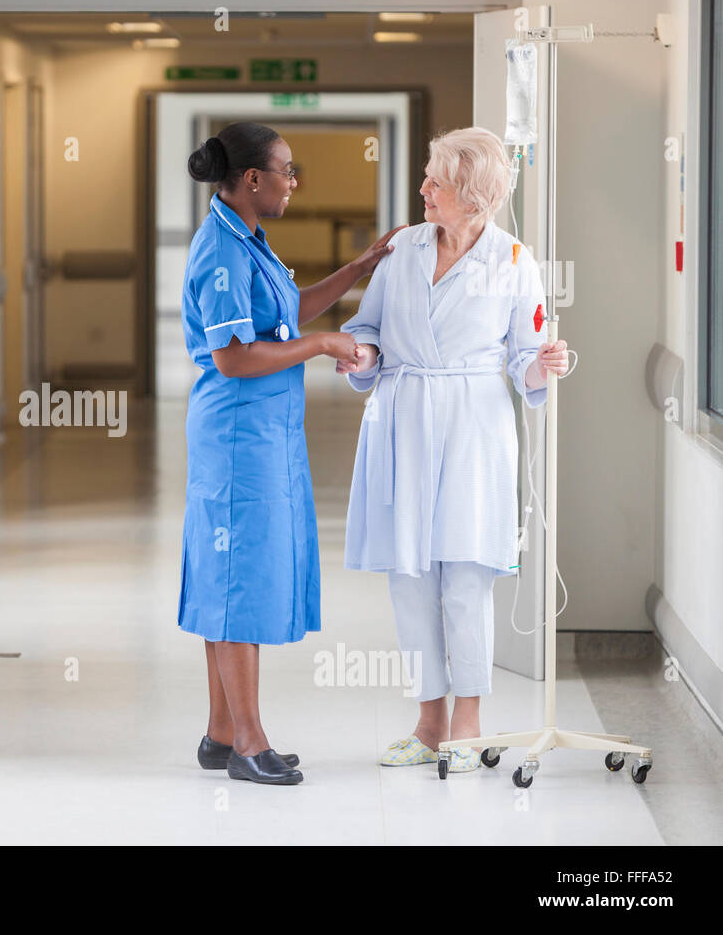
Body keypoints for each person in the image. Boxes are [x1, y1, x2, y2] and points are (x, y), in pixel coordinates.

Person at [335, 126, 571, 773]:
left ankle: (468, 722)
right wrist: (362, 355)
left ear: (471, 195)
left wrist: (546, 364)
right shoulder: (403, 249)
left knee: (466, 577)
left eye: (435, 181)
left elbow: (525, 358)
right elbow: (368, 327)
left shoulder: (515, 261)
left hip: (473, 423)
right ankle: (427, 723)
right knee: (410, 578)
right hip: (403, 416)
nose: (423, 190)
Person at [179, 122, 403, 785]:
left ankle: (222, 732)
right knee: (235, 582)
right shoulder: (220, 251)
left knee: (240, 575)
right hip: (236, 437)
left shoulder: (249, 240)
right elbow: (233, 355)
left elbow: (284, 315)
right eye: (286, 169)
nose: (293, 181)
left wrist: (361, 267)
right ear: (252, 179)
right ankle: (248, 742)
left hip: (263, 433)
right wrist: (323, 345)